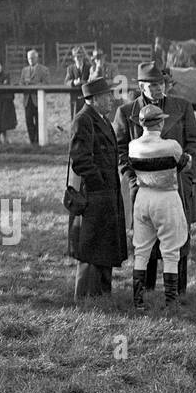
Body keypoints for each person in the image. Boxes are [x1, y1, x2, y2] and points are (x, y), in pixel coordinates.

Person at [113, 62, 196, 301]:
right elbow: (121, 150)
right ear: (141, 86)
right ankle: (146, 289)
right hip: (143, 186)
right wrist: (132, 178)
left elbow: (194, 143)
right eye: (151, 85)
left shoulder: (183, 107)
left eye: (160, 84)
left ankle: (178, 291)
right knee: (145, 241)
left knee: (179, 236)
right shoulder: (125, 112)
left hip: (178, 184)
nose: (156, 89)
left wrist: (188, 173)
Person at [65, 76, 126, 302]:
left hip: (106, 195)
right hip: (94, 196)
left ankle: (101, 294)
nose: (112, 99)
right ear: (95, 98)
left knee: (104, 246)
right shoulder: (84, 120)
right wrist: (100, 184)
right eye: (108, 95)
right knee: (90, 248)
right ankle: (86, 297)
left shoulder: (99, 118)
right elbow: (80, 159)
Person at [126, 104, 190, 312]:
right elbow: (183, 164)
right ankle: (170, 301)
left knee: (141, 250)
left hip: (143, 198)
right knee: (171, 252)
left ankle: (138, 301)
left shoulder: (133, 145)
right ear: (160, 122)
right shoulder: (171, 145)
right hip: (166, 198)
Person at [19, 49, 50, 144]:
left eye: (32, 58)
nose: (31, 60)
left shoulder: (44, 69)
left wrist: (33, 84)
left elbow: (47, 83)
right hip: (27, 99)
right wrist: (24, 84)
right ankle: (32, 141)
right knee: (28, 121)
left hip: (38, 99)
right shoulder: (24, 70)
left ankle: (39, 140)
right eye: (29, 58)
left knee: (38, 121)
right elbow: (21, 83)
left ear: (37, 58)